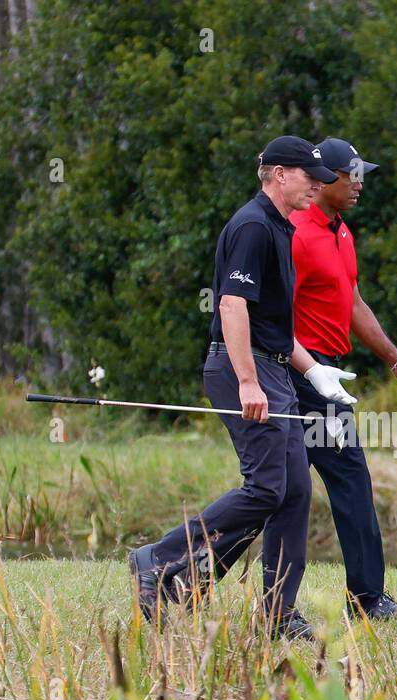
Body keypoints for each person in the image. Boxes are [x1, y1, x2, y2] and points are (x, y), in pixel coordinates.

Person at [128, 136, 359, 640]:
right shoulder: (254, 226)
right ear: (279, 174)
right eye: (309, 178)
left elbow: (272, 322)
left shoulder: (278, 226)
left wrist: (313, 369)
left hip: (273, 365)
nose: (317, 187)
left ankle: (276, 613)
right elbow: (232, 306)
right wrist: (249, 382)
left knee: (294, 491)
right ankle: (160, 559)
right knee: (267, 488)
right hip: (243, 369)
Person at [207, 137, 397, 620]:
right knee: (322, 479)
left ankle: (203, 579)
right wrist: (277, 372)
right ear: (320, 179)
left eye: (359, 173)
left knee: (281, 489)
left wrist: (395, 360)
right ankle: (366, 599)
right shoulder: (294, 231)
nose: (357, 182)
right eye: (347, 174)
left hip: (318, 371)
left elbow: (350, 300)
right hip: (294, 372)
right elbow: (264, 312)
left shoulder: (339, 232)